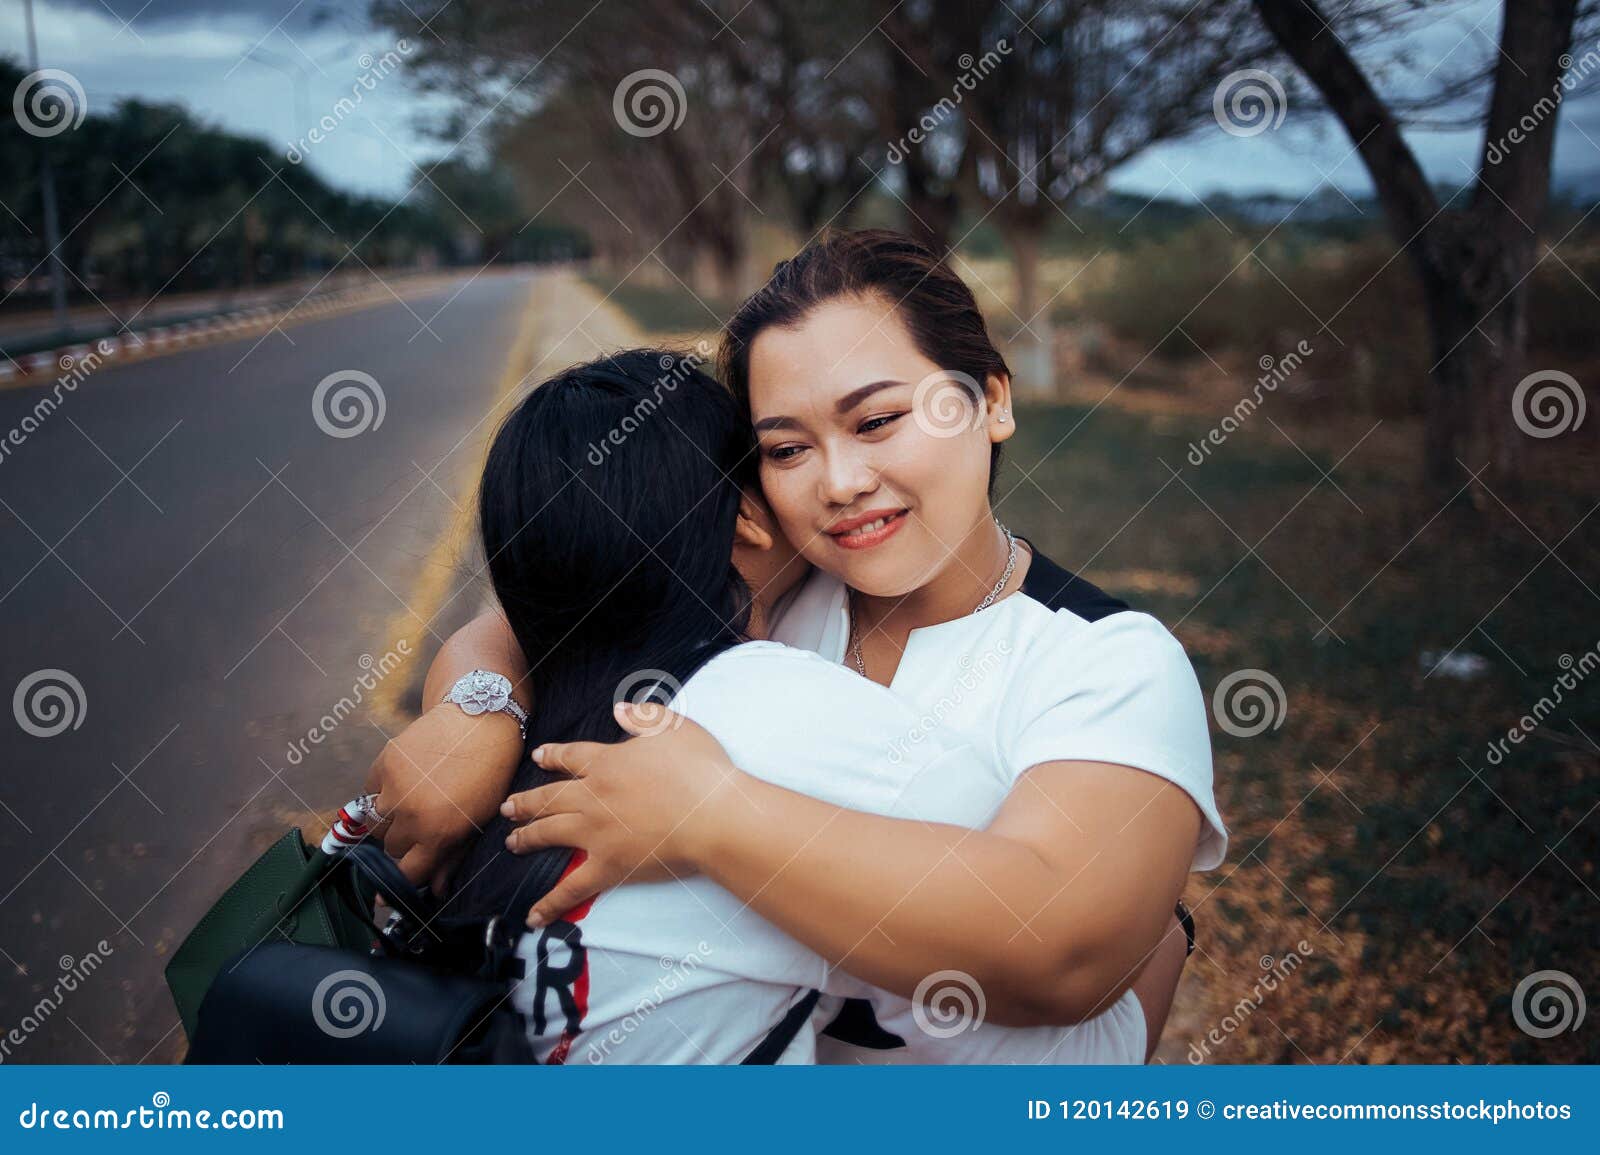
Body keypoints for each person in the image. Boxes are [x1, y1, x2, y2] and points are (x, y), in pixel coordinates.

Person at [373, 229, 1227, 1063]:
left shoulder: (1107, 662)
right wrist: (478, 710)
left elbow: (1061, 954)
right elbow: (554, 610)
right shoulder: (772, 587)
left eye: (879, 419)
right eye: (787, 447)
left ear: (991, 400)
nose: (841, 483)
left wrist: (712, 816)